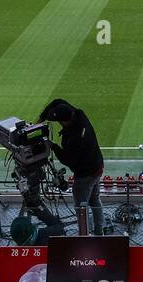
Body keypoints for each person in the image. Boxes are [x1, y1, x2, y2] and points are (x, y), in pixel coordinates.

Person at [39, 98, 105, 234]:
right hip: (97, 166)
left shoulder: (75, 138)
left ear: (63, 121)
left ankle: (84, 235)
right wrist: (41, 118)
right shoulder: (78, 114)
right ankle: (100, 230)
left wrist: (53, 146)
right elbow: (57, 101)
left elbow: (69, 160)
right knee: (95, 201)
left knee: (81, 208)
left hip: (86, 175)